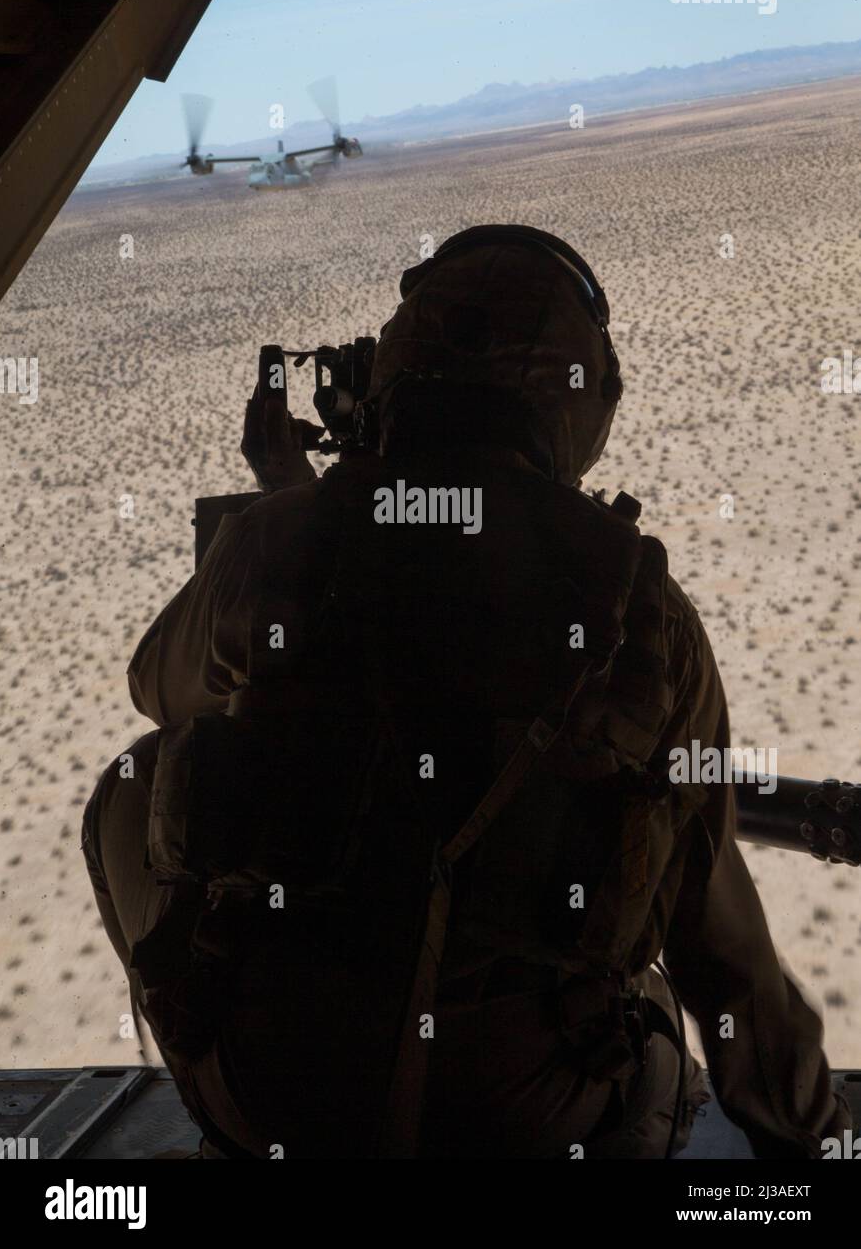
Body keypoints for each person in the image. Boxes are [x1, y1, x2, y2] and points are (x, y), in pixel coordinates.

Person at [82, 224, 850, 1160]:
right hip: (520, 1122)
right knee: (642, 995)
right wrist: (801, 1141)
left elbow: (158, 688)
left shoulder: (281, 542)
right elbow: (720, 949)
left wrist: (288, 499)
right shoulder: (635, 601)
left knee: (138, 778)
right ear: (579, 398)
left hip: (271, 1095)